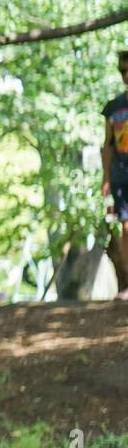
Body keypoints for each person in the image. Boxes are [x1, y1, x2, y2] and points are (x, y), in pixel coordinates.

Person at [101, 49, 128, 299]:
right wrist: (106, 177)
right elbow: (108, 144)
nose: (125, 75)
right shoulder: (114, 107)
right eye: (122, 71)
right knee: (127, 227)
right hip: (122, 174)